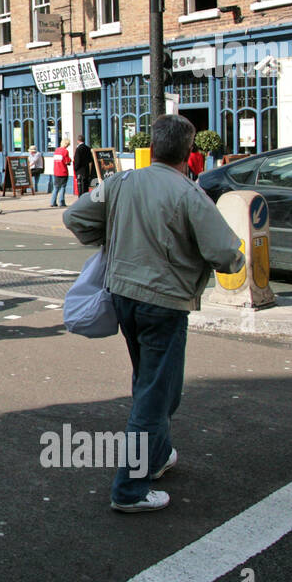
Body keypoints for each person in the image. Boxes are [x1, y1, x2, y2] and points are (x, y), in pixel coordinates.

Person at [64, 114, 244, 513]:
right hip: (164, 301)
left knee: (152, 383)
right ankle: (129, 489)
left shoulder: (121, 182)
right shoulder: (189, 193)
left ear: (153, 147)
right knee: (154, 394)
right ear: (188, 152)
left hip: (124, 295)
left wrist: (108, 236)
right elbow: (224, 253)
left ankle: (158, 456)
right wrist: (236, 262)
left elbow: (74, 216)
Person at [50, 137, 71, 207]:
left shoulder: (56, 150)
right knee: (62, 187)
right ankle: (61, 202)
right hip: (63, 172)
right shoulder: (65, 151)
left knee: (56, 187)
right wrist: (70, 161)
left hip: (56, 171)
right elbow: (67, 161)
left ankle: (52, 202)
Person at [73, 134, 93, 198]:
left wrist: (75, 169)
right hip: (86, 170)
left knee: (80, 187)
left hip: (80, 171)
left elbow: (77, 161)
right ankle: (85, 198)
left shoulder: (78, 149)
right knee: (86, 186)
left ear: (78, 141)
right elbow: (90, 160)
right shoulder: (88, 148)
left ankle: (81, 199)